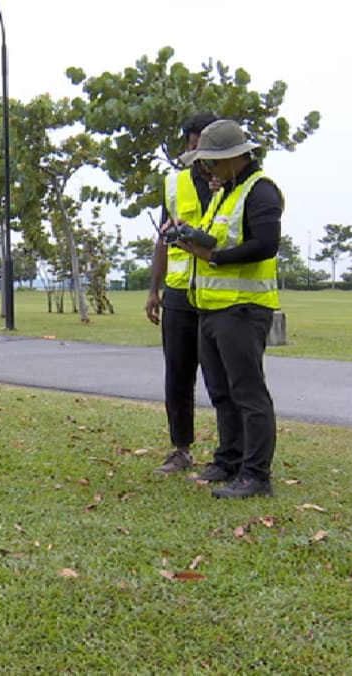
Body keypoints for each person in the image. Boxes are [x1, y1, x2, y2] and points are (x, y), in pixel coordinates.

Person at [178, 119, 283, 499]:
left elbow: (266, 244)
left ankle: (256, 475)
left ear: (233, 157)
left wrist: (217, 257)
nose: (206, 168)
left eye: (211, 160)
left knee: (248, 393)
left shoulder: (261, 191)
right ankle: (229, 460)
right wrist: (190, 237)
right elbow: (219, 239)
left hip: (242, 309)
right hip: (212, 309)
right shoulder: (227, 191)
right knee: (221, 392)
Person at [148, 111, 218, 474]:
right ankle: (181, 449)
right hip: (178, 294)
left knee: (222, 379)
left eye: (205, 148)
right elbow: (163, 238)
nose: (199, 157)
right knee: (177, 375)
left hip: (220, 296)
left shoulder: (234, 182)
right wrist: (153, 290)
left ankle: (230, 454)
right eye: (193, 147)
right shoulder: (175, 184)